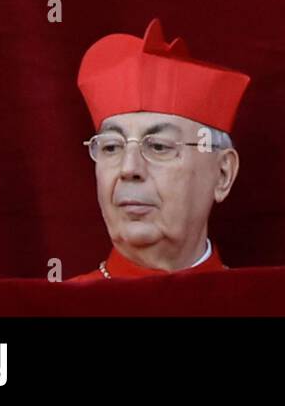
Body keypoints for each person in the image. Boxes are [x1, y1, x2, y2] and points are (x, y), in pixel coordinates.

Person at [67, 19, 248, 280]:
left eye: (159, 146)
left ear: (222, 174)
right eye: (111, 147)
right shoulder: (56, 308)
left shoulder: (262, 305)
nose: (129, 168)